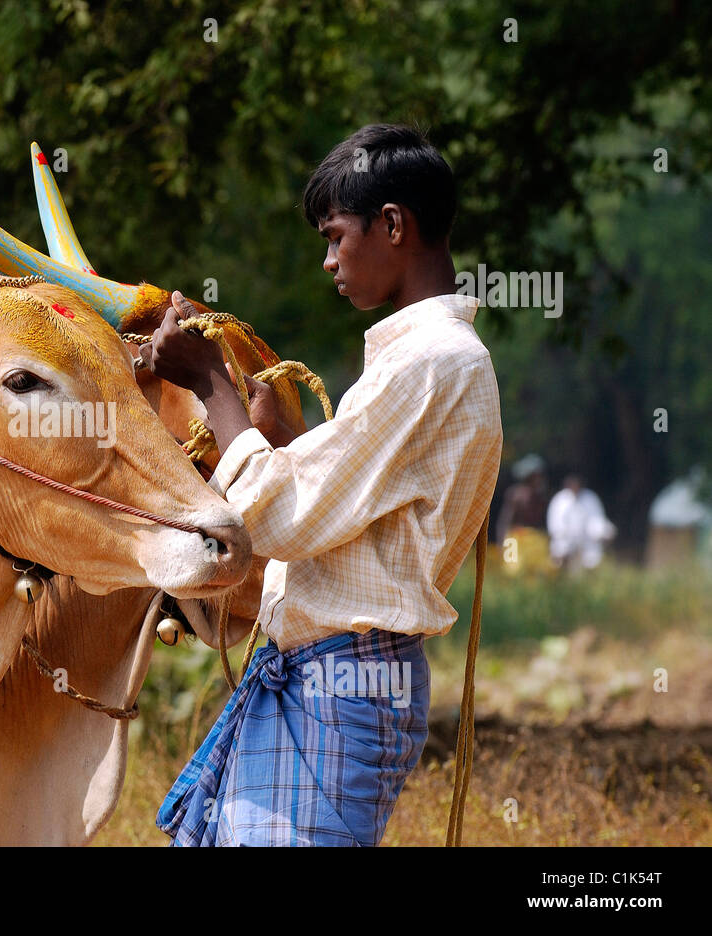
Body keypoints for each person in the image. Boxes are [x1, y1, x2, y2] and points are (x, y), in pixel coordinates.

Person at [142, 124, 502, 846]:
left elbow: (277, 523)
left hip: (340, 683)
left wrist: (213, 385)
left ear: (393, 225)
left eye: (337, 237)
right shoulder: (426, 361)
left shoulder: (432, 362)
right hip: (324, 675)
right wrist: (278, 445)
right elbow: (351, 518)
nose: (330, 261)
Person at [546, 475, 615, 571]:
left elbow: (596, 520)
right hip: (565, 539)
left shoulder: (590, 498)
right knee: (560, 556)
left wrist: (604, 531)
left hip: (587, 539)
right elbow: (556, 523)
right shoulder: (560, 500)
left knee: (592, 559)